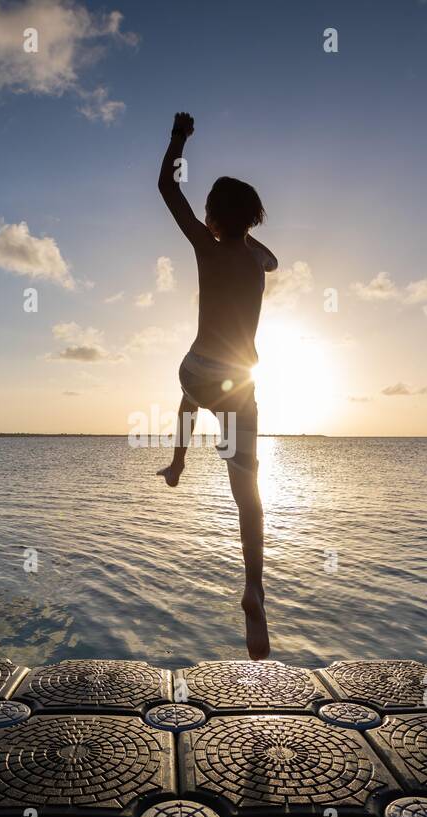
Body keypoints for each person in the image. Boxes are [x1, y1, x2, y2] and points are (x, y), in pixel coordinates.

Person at [155, 111, 277, 660]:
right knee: (246, 493)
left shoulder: (209, 246)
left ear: (213, 218)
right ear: (252, 219)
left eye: (206, 211)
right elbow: (270, 257)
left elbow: (165, 188)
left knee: (187, 392)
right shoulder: (255, 257)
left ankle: (178, 463)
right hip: (239, 385)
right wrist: (256, 242)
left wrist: (179, 138)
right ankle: (254, 587)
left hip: (201, 368)